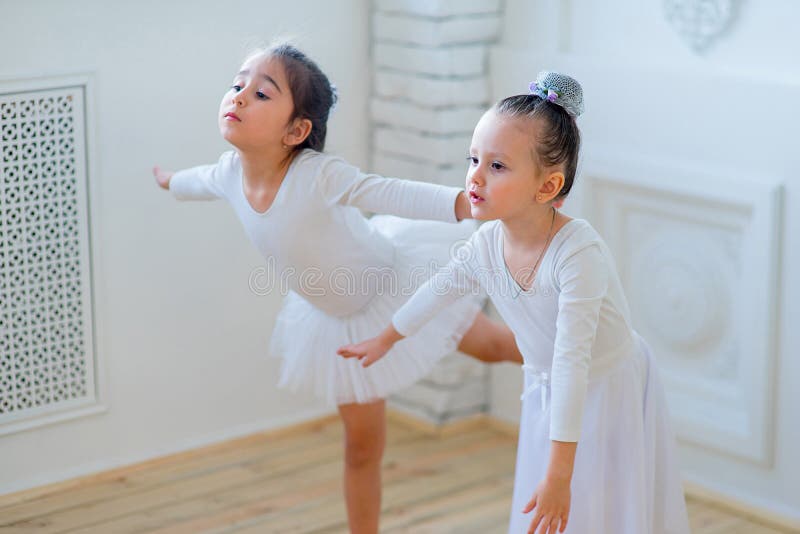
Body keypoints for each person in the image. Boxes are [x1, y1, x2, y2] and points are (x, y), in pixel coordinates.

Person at [153, 43, 522, 534]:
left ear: (296, 131)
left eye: (260, 93)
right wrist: (170, 181)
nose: (239, 97)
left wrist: (465, 202)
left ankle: (574, 355)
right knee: (362, 449)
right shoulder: (227, 172)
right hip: (338, 325)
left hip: (396, 283)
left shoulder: (317, 175)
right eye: (237, 85)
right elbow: (196, 180)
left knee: (494, 346)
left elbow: (389, 192)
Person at [338, 71, 691, 533]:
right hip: (548, 388)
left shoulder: (578, 255)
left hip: (606, 385)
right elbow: (439, 289)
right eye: (473, 159)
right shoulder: (487, 244)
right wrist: (387, 338)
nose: (475, 177)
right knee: (545, 504)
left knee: (596, 501)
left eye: (497, 166)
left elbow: (572, 362)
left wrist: (559, 474)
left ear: (547, 188)